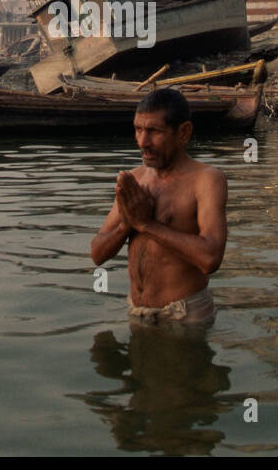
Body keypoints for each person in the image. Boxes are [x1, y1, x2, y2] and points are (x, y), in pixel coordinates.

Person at [90, 87, 227, 328]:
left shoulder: (206, 180)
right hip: (137, 311)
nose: (143, 142)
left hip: (183, 315)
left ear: (183, 132)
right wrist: (126, 226)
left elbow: (210, 258)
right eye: (138, 129)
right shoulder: (135, 180)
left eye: (154, 131)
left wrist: (146, 225)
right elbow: (97, 254)